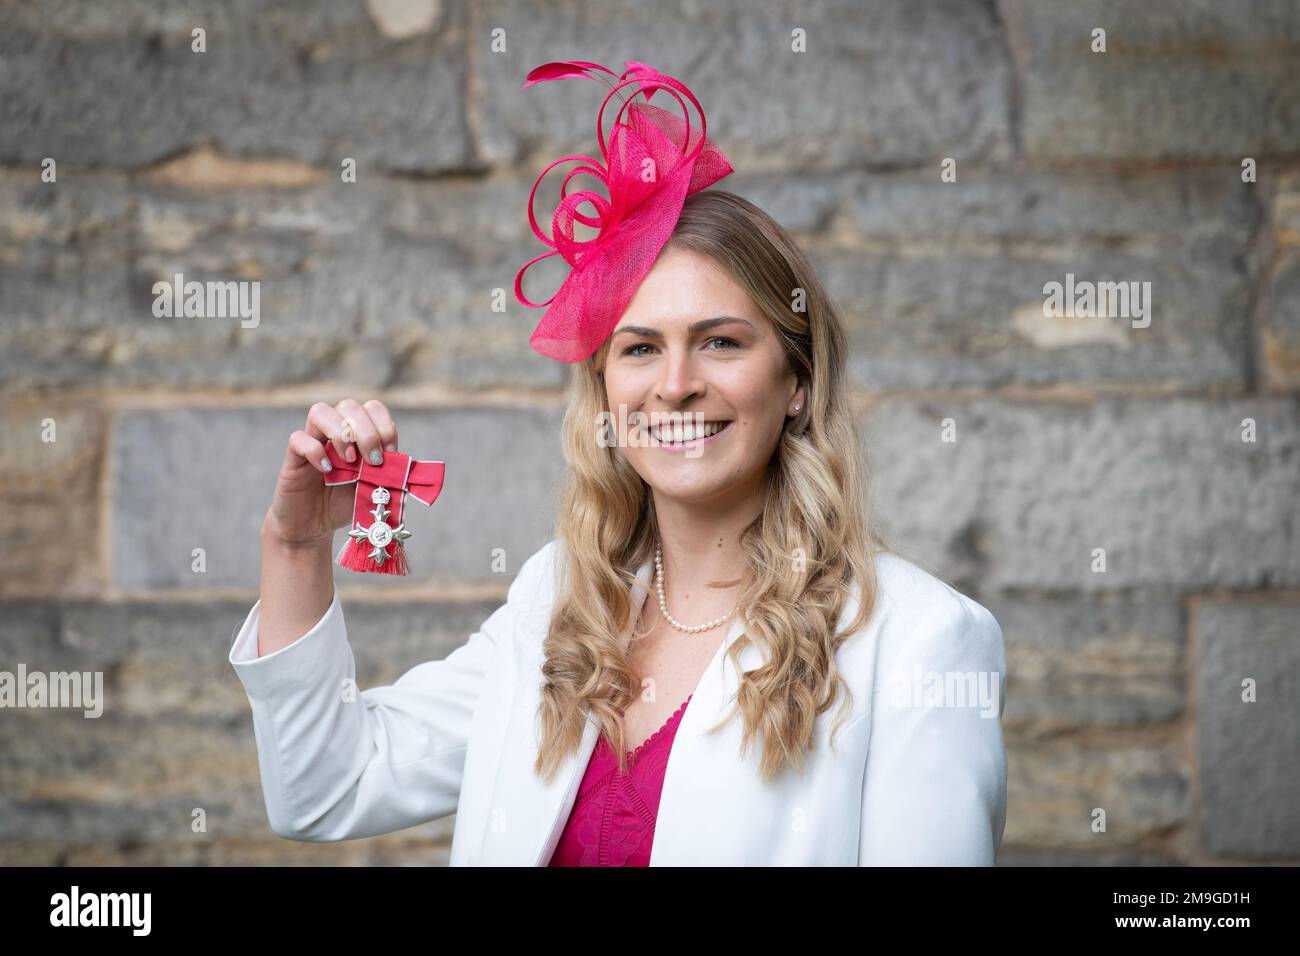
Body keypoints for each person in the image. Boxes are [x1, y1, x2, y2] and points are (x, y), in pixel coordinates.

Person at [229, 62, 1007, 866]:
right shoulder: (558, 601)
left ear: (798, 382)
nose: (675, 386)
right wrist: (295, 548)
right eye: (640, 348)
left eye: (721, 342)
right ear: (604, 390)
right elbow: (327, 787)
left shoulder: (918, 640)